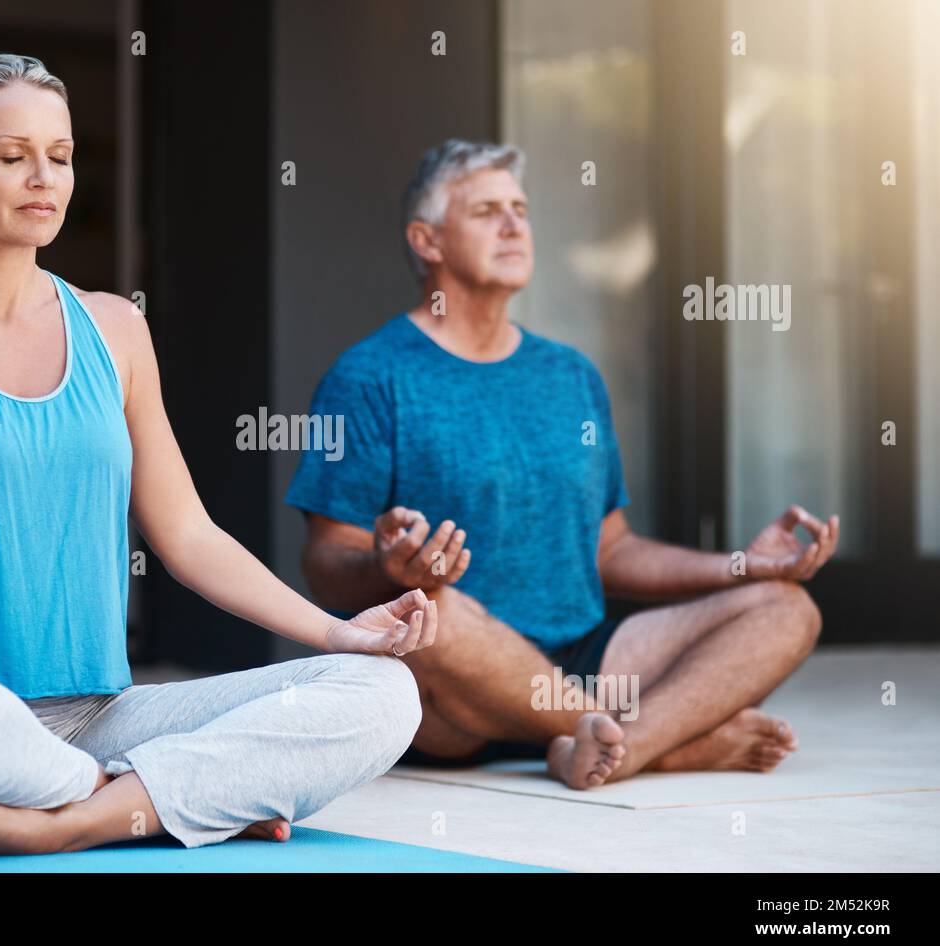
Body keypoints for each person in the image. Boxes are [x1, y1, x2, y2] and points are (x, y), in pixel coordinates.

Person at [0, 53, 436, 859]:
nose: (44, 177)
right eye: (12, 157)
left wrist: (338, 633)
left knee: (383, 691)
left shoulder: (115, 328)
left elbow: (188, 536)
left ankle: (77, 817)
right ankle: (163, 798)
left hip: (99, 721)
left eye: (61, 157)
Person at [287, 139, 838, 791]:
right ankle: (661, 742)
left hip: (585, 657)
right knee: (431, 612)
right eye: (487, 210)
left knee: (787, 608)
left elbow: (612, 548)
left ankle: (615, 743)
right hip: (450, 681)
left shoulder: (571, 375)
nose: (515, 224)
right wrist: (385, 567)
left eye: (520, 208)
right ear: (427, 241)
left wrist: (746, 565)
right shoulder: (368, 377)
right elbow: (325, 563)